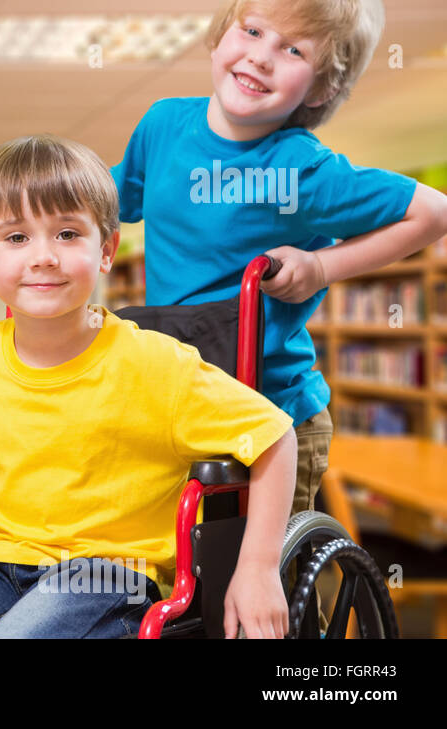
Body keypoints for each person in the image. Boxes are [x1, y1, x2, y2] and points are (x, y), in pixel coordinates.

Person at [0, 134, 298, 638]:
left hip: (106, 572)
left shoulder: (157, 365)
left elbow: (275, 437)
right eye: (16, 238)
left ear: (106, 250)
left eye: (67, 234)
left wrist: (257, 568)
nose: (43, 257)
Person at [112, 0, 447, 515]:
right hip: (181, 400)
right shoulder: (162, 127)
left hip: (273, 415)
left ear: (320, 87)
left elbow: (433, 212)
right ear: (221, 36)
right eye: (251, 30)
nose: (262, 57)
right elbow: (102, 204)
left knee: (255, 578)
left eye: (293, 49)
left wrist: (320, 268)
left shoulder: (301, 168)